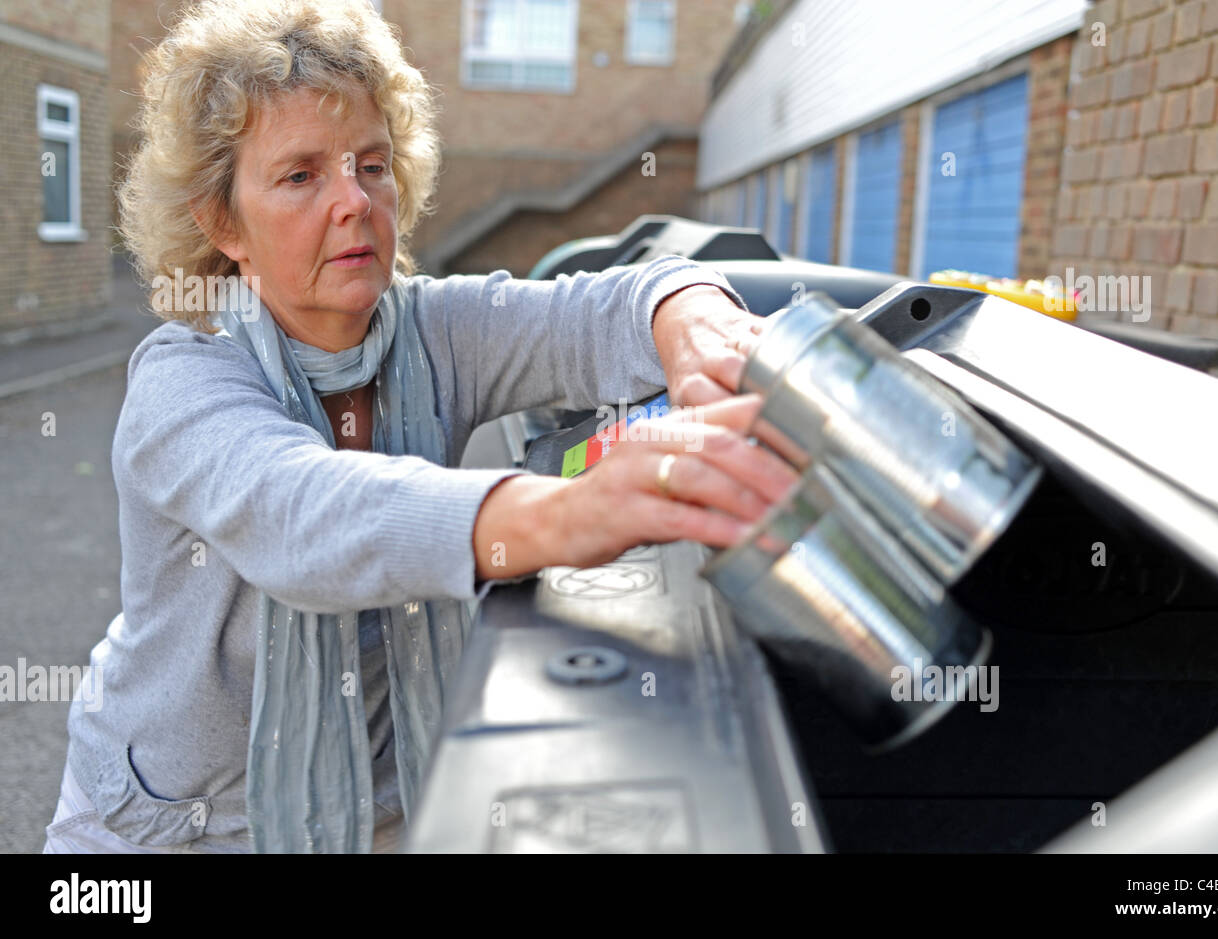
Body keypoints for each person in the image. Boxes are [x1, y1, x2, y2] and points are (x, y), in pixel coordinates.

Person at [42, 0, 798, 853]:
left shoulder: (432, 332)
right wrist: (563, 515)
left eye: (372, 164)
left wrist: (694, 318)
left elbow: (606, 307)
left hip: (373, 811)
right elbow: (304, 513)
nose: (354, 201)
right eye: (300, 176)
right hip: (166, 825)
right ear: (223, 223)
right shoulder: (182, 376)